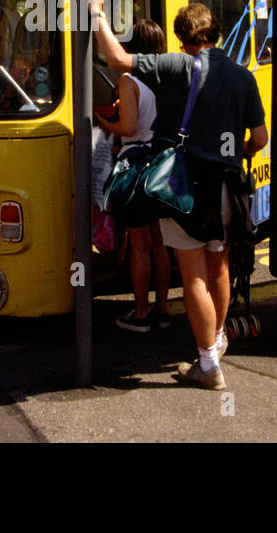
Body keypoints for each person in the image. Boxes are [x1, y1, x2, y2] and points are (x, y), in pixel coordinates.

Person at [89, 0, 268, 390]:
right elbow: (259, 140)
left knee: (194, 278)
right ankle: (217, 341)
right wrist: (234, 152)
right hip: (227, 184)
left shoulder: (174, 65)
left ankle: (208, 364)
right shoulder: (242, 77)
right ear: (217, 32)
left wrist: (97, 10)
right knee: (218, 267)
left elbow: (115, 59)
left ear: (182, 38)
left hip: (185, 188)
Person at [95, 19, 173, 333]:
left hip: (137, 165)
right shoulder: (168, 78)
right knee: (160, 244)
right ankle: (163, 309)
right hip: (162, 164)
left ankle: (141, 313)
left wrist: (104, 122)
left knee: (139, 245)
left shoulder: (130, 80)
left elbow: (127, 128)